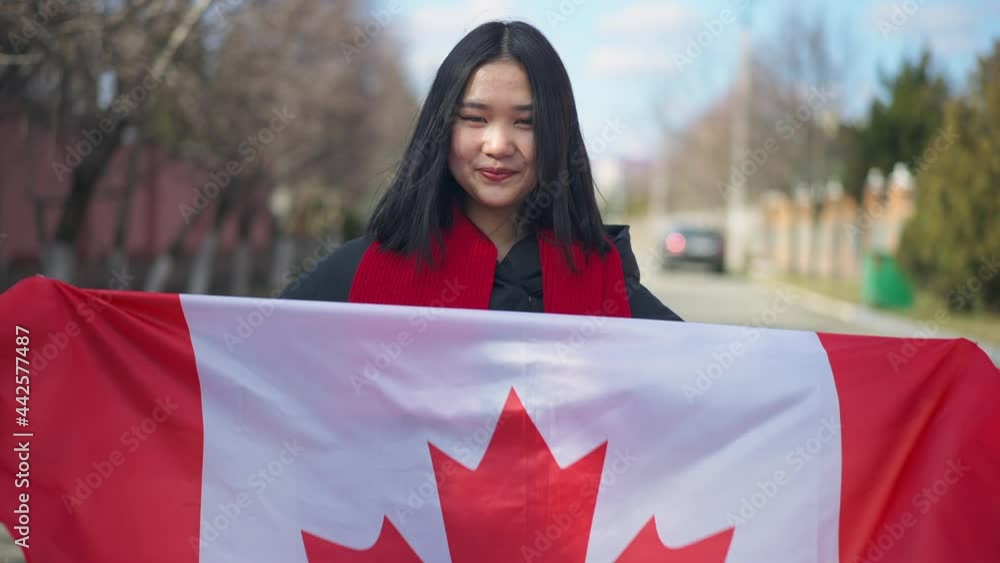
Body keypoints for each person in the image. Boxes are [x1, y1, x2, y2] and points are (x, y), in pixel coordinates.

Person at [282, 20, 682, 322]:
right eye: (475, 118)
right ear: (441, 128)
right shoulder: (357, 275)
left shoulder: (607, 290)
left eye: (526, 122)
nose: (498, 145)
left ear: (558, 136)